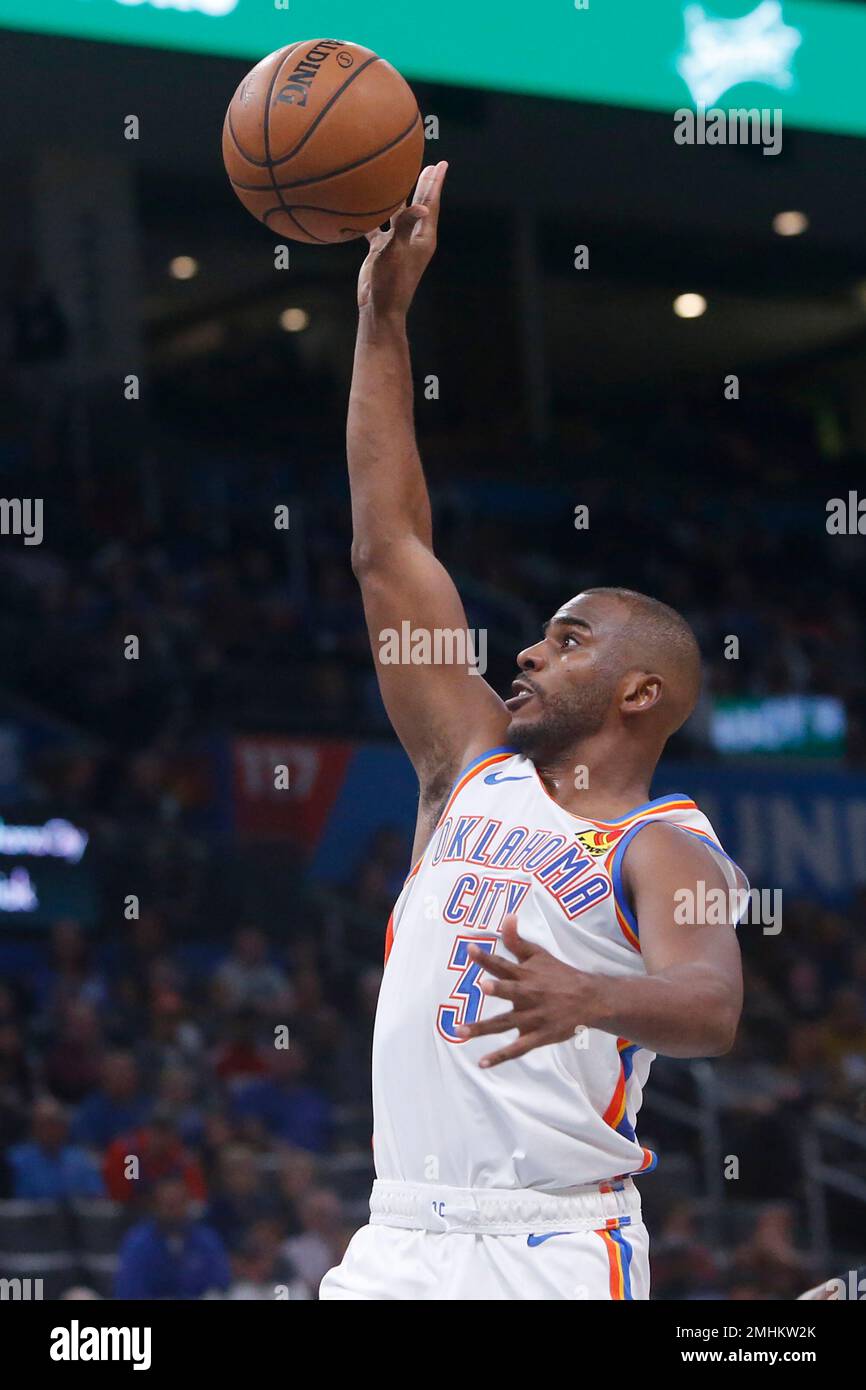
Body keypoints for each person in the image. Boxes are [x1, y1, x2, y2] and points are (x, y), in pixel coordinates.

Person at [320, 163, 747, 1302]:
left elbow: (709, 1004)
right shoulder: (467, 763)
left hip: (550, 1244)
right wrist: (381, 319)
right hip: (396, 1237)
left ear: (639, 694)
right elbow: (387, 548)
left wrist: (590, 994)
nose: (525, 651)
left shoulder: (664, 844)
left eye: (566, 641)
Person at [114, 1176, 230, 1300]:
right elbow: (129, 1291)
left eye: (179, 1203)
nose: (174, 1211)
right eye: (168, 1205)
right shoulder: (138, 1243)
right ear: (155, 1206)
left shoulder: (206, 1239)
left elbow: (220, 1283)